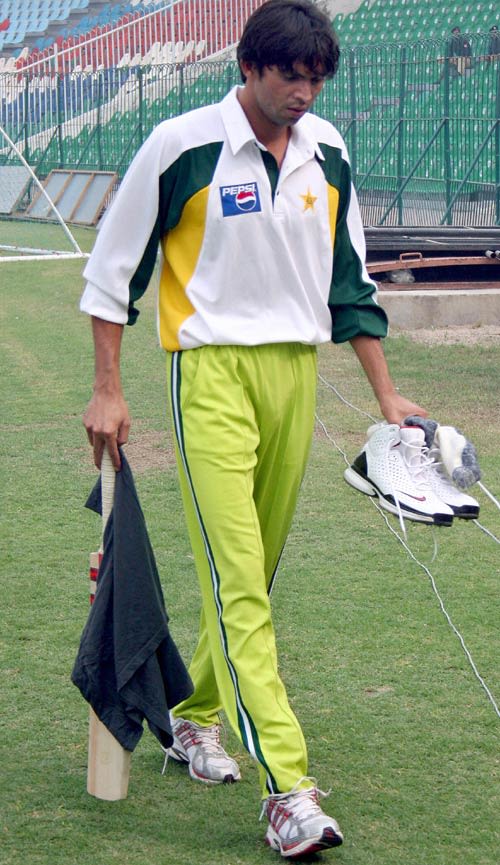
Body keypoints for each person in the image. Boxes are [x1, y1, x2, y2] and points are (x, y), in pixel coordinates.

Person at [81, 0, 427, 857]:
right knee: (239, 582)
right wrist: (108, 389)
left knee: (256, 573)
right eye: (289, 76)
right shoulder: (180, 144)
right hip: (211, 378)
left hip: (293, 377)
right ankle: (289, 788)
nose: (303, 92)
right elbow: (111, 273)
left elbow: (351, 284)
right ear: (248, 65)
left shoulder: (329, 151)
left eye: (315, 78)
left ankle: (193, 714)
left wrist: (388, 398)